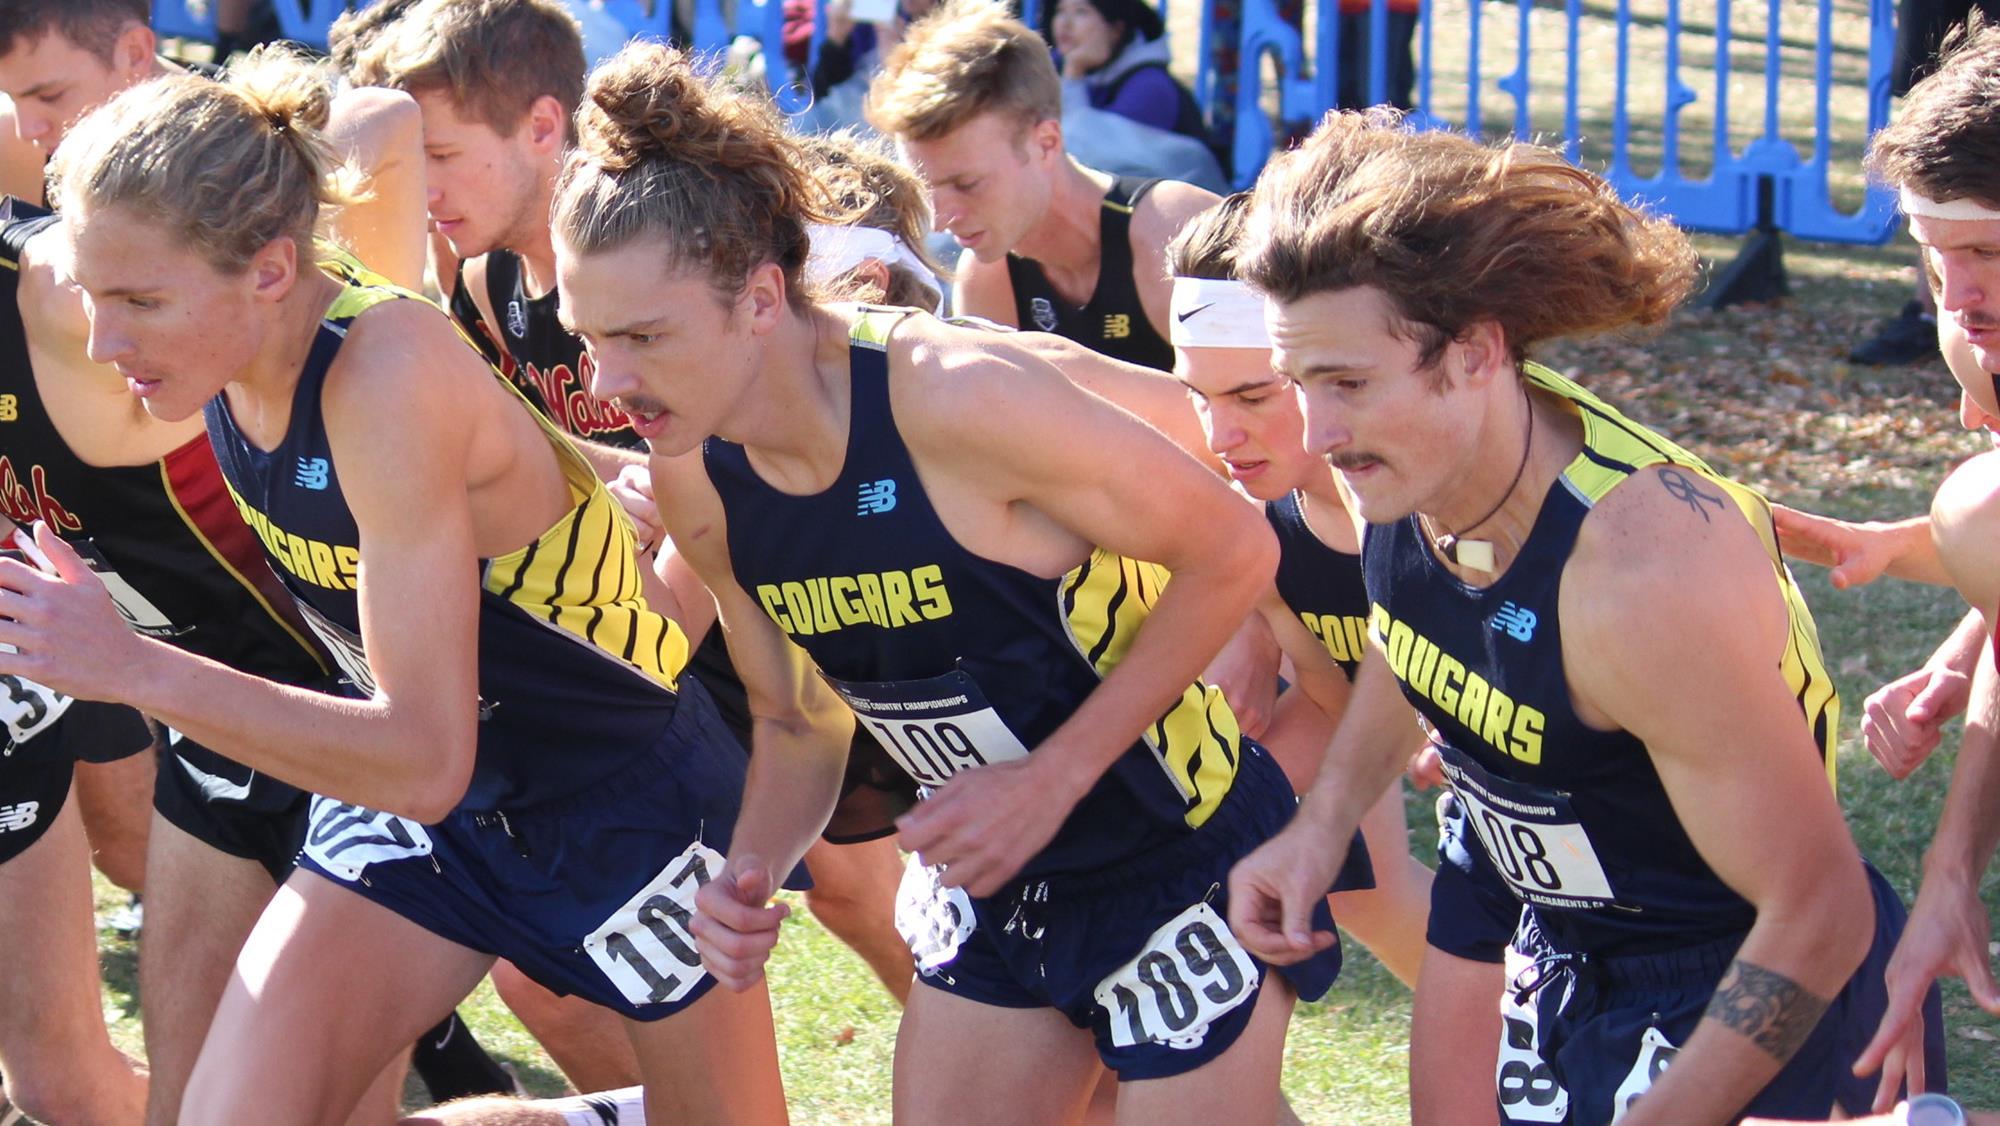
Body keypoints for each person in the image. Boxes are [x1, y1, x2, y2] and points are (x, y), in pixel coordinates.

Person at [552, 39, 1347, 1124]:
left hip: (1176, 849)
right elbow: (795, 720)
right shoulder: (700, 473)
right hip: (998, 884)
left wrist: (1050, 776)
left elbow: (1234, 549)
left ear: (759, 298)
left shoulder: (950, 397)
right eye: (589, 339)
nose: (608, 382)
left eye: (642, 336)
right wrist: (749, 869)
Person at [25, 50, 789, 1125]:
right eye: (94, 294)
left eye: (141, 299)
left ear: (272, 269)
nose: (106, 342)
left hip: (615, 799)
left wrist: (129, 666)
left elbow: (427, 754)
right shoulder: (222, 352)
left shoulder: (383, 372)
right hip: (429, 819)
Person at [1223, 110, 1939, 1125]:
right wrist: (1323, 821)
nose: (1316, 431)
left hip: (1731, 968)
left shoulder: (1637, 575)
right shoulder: (1407, 459)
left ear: (1474, 353)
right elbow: (1411, 630)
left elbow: (1819, 913)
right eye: (1299, 383)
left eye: (1344, 383)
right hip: (1540, 915)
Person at [866, 0, 1216, 370]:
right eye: (926, 189)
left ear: (1046, 143)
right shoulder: (987, 276)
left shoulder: (1171, 232)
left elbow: (1252, 416)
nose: (939, 221)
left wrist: (1064, 374)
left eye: (967, 184)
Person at [1049, 0, 1206, 148]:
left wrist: (1074, 75)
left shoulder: (1150, 85)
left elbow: (1092, 153)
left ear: (1116, 29)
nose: (1065, 23)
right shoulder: (1054, 64)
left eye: (1081, 12)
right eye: (1060, 10)